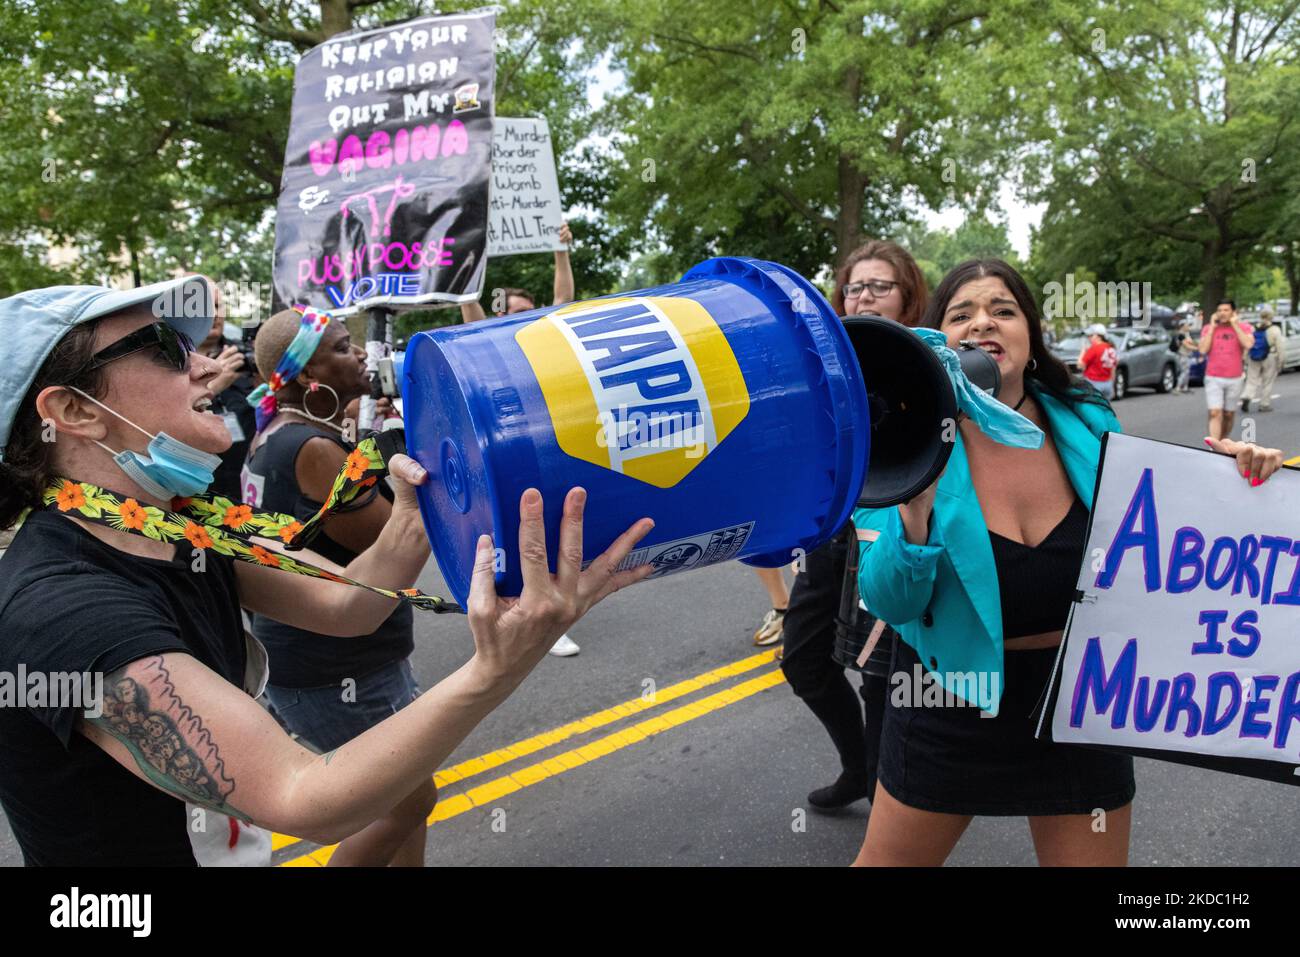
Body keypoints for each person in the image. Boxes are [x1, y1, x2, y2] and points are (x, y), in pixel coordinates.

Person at [0, 277, 654, 866]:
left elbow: (348, 607)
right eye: (169, 349)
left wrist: (414, 513)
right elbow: (304, 794)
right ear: (75, 412)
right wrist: (495, 667)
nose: (208, 365)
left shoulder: (171, 523)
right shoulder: (62, 608)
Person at [851, 260, 1284, 866]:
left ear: (1030, 334)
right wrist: (914, 509)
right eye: (961, 314)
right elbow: (892, 601)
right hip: (949, 700)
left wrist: (1236, 487)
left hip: (1084, 700)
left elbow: (1159, 530)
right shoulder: (904, 437)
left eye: (1003, 310)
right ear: (937, 341)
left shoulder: (1084, 415)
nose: (983, 324)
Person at [240, 307, 431, 866]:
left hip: (334, 653)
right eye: (345, 348)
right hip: (338, 665)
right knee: (407, 800)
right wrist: (395, 445)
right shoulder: (312, 450)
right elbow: (398, 536)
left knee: (400, 805)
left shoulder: (278, 435)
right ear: (306, 375)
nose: (361, 356)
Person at [779, 239, 929, 810]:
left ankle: (883, 799)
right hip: (831, 530)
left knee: (878, 675)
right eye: (854, 287)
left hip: (888, 532)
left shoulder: (925, 358)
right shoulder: (824, 360)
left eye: (879, 287)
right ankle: (858, 765)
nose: (863, 297)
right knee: (803, 659)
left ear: (907, 297)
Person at [461, 223, 581, 657]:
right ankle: (514, 619)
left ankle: (545, 616)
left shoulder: (541, 343)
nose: (525, 316)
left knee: (547, 529)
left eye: (529, 309)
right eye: (515, 310)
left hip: (546, 451)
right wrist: (461, 271)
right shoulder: (483, 347)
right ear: (497, 316)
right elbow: (469, 309)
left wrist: (560, 251)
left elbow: (563, 300)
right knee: (510, 536)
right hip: (504, 457)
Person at [196, 291, 258, 501]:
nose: (214, 313)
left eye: (217, 305)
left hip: (252, 483)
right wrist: (210, 388)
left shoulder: (245, 354)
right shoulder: (168, 363)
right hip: (203, 492)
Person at [1199, 298, 1254, 439]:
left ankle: (1222, 440)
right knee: (1215, 412)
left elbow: (1248, 344)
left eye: (1226, 310)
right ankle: (1214, 445)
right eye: (1219, 310)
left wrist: (1235, 325)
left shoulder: (1244, 327)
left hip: (1235, 377)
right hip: (1213, 376)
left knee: (1228, 414)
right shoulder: (1208, 328)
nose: (1222, 313)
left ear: (1233, 312)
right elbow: (1203, 349)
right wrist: (1211, 327)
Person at [1242, 308, 1284, 413]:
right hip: (1270, 356)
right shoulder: (1275, 330)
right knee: (1267, 381)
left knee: (1251, 379)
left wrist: (1245, 357)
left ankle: (1247, 396)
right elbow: (1280, 347)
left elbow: (1248, 343)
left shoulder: (1253, 329)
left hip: (1254, 356)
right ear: (1271, 317)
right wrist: (1281, 361)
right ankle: (1264, 404)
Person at [1077, 323, 1118, 399]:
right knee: (1104, 408)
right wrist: (1112, 386)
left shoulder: (1094, 348)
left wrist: (1082, 351)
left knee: (1091, 409)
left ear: (1098, 336)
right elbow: (1113, 369)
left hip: (1094, 384)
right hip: (1108, 384)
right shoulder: (1111, 348)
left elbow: (1080, 365)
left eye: (1091, 335)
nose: (1089, 338)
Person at [1170, 319, 1195, 393]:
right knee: (1184, 372)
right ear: (1182, 326)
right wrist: (1198, 348)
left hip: (1187, 355)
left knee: (1186, 372)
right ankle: (1178, 387)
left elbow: (1191, 343)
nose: (1188, 326)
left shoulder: (1186, 333)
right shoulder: (1181, 335)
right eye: (1187, 325)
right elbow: (1187, 346)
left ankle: (1185, 387)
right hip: (1183, 355)